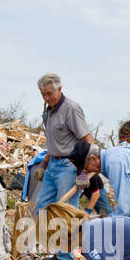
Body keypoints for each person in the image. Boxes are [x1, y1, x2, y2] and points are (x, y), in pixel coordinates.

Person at [33, 73, 91, 213]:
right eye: (43, 95)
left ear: (59, 89)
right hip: (52, 165)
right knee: (41, 208)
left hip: (68, 167)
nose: (46, 98)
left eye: (49, 94)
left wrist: (84, 171)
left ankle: (69, 236)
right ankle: (42, 235)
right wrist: (44, 164)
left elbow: (88, 140)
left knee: (65, 212)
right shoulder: (48, 112)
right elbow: (55, 143)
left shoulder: (71, 109)